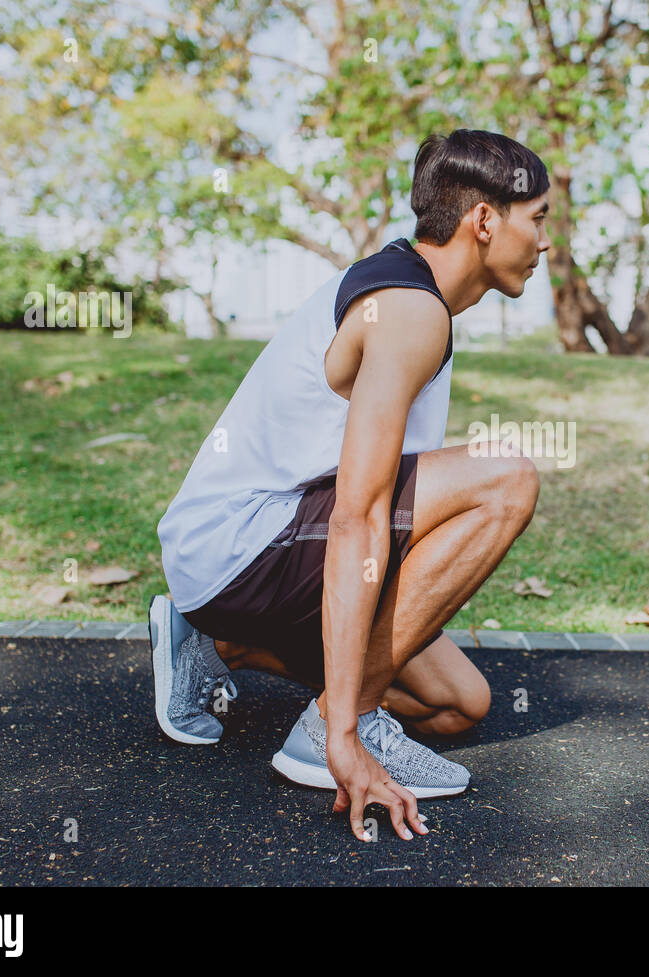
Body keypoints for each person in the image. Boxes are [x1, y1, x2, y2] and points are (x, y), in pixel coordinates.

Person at [149, 130, 549, 844]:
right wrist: (342, 731)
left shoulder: (420, 300)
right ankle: (331, 726)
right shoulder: (407, 309)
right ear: (485, 220)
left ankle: (215, 644)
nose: (547, 242)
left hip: (276, 549)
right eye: (539, 217)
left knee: (462, 703)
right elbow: (359, 518)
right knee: (507, 479)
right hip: (239, 540)